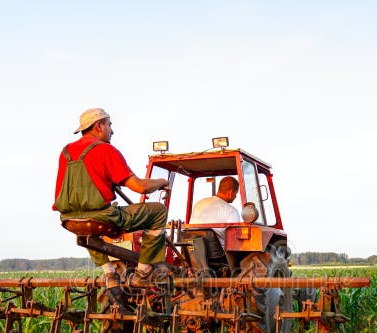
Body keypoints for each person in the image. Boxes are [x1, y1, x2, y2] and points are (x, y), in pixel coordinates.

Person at [53, 108, 169, 289]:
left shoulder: (66, 152)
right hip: (102, 216)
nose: (112, 130)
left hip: (69, 220)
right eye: (109, 125)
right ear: (99, 126)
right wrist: (161, 182)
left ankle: (110, 274)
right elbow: (139, 186)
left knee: (88, 228)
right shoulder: (105, 150)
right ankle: (143, 272)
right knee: (159, 211)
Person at [189, 176, 241, 246]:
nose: (236, 196)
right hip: (219, 254)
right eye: (236, 193)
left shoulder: (199, 203)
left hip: (193, 251)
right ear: (230, 193)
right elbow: (234, 240)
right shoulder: (232, 211)